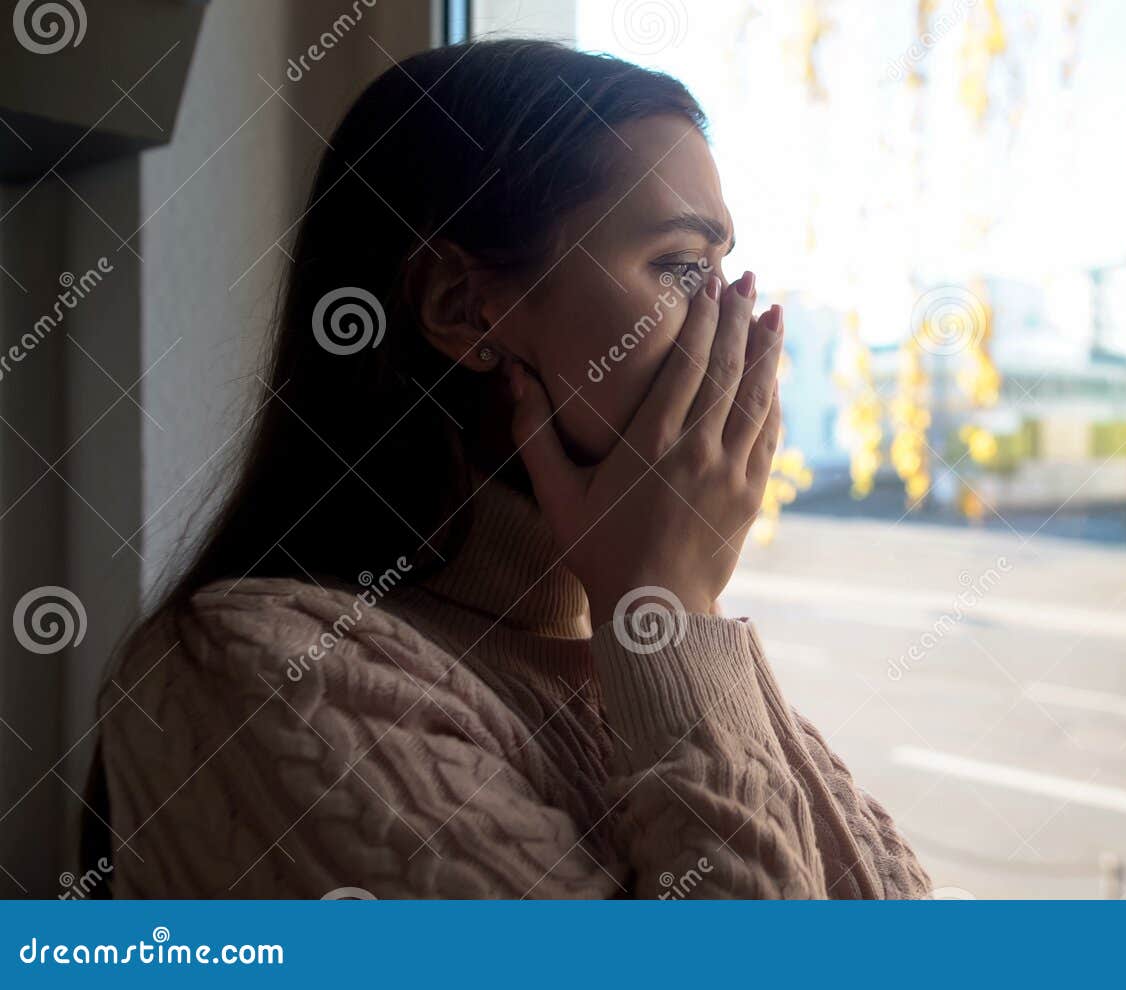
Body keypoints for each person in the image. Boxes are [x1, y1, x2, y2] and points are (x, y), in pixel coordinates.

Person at [91, 39, 929, 899]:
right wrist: (666, 612)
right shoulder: (256, 673)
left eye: (724, 271)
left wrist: (671, 607)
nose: (737, 329)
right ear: (462, 309)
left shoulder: (639, 648)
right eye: (683, 266)